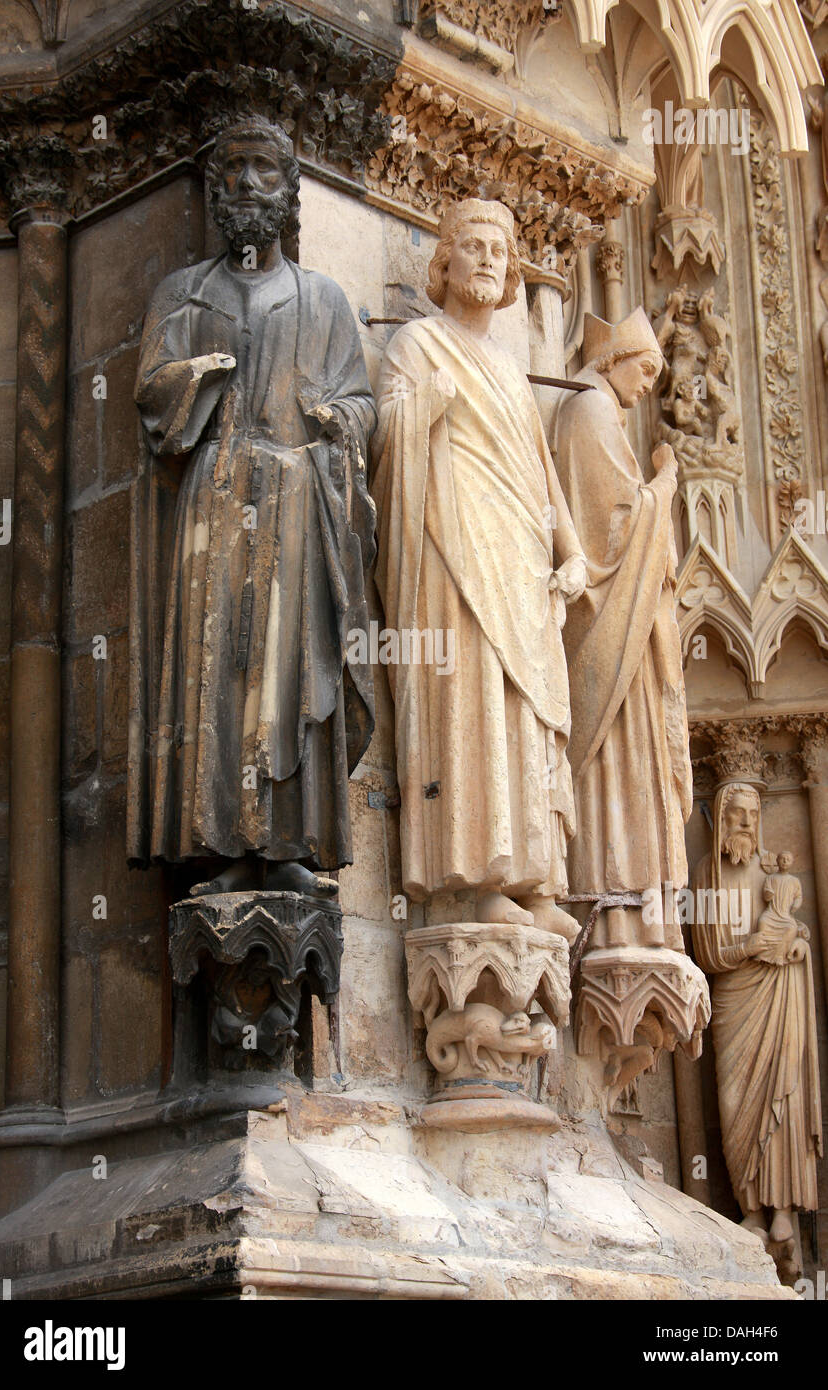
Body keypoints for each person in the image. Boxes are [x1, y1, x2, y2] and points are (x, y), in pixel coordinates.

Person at [129, 116, 376, 895]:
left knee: (290, 670)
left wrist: (339, 423)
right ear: (213, 192)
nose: (244, 186)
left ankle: (293, 843)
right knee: (221, 674)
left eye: (263, 172)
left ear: (290, 193)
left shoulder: (323, 299)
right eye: (230, 172)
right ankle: (224, 841)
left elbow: (361, 402)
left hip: (301, 506)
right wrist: (195, 376)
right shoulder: (185, 292)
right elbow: (151, 399)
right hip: (216, 507)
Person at [372, 198, 586, 934]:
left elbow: (540, 468)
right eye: (473, 246)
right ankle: (477, 878)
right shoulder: (418, 346)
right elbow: (388, 443)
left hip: (522, 563)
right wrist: (425, 405)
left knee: (524, 713)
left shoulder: (509, 366)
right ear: (444, 265)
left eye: (500, 247)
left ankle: (539, 881)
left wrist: (571, 551)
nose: (489, 258)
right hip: (453, 556)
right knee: (472, 705)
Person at [553, 309, 692, 951]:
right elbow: (618, 527)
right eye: (644, 368)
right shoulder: (589, 411)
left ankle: (634, 910)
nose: (647, 386)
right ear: (614, 359)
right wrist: (664, 482)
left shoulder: (602, 412)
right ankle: (613, 908)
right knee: (620, 751)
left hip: (626, 626)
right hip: (609, 625)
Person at [692, 784, 822, 1246]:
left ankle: (782, 1208)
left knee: (781, 1093)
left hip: (777, 993)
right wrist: (749, 947)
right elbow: (705, 955)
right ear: (721, 820)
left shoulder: (775, 876)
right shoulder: (707, 876)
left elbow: (797, 931)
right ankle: (750, 1208)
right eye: (736, 814)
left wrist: (795, 947)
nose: (746, 822)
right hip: (733, 997)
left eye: (752, 814)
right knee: (733, 1102)